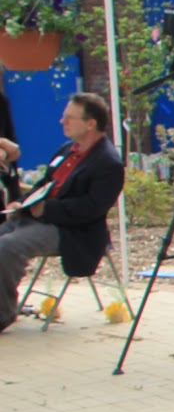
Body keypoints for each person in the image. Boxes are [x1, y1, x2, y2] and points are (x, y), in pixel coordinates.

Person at [0, 93, 124, 331]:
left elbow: (92, 208)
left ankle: (3, 314)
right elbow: (44, 184)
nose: (61, 122)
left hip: (71, 231)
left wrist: (47, 208)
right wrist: (22, 202)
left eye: (69, 118)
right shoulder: (67, 149)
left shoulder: (108, 163)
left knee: (7, 247)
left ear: (90, 123)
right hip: (38, 218)